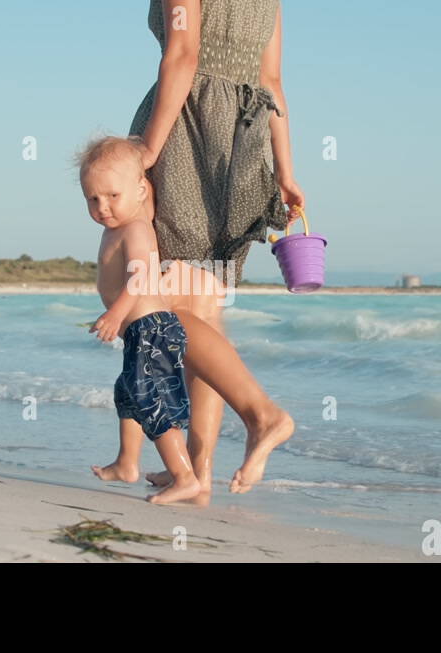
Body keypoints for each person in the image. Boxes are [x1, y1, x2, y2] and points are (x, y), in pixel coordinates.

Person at [127, 0, 306, 493]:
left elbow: (183, 56)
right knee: (203, 311)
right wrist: (285, 172)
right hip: (243, 143)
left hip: (188, 131)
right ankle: (198, 468)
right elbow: (272, 82)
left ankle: (262, 415)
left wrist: (146, 151)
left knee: (168, 306)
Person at [76, 135, 294, 501]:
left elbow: (142, 275)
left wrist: (115, 312)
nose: (103, 207)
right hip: (138, 329)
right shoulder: (117, 225)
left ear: (142, 189)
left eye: (113, 196)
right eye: (93, 199)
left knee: (152, 397)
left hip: (150, 327)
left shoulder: (137, 228)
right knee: (129, 392)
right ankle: (128, 462)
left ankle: (187, 474)